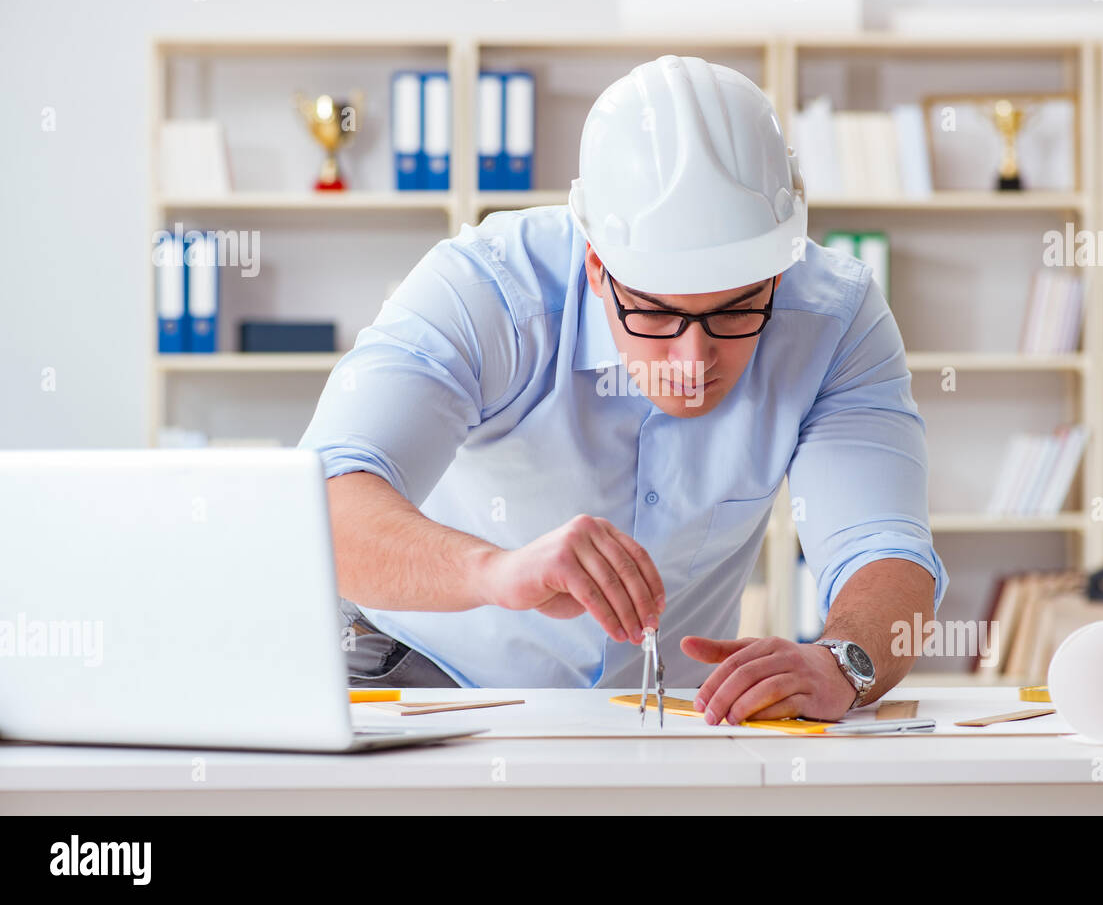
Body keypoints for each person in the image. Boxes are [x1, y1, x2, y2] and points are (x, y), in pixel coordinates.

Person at [299, 54, 948, 724]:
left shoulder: (836, 317)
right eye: (657, 313)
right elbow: (321, 503)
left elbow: (884, 548)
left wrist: (845, 662)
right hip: (421, 665)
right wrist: (495, 571)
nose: (693, 360)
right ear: (597, 264)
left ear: (780, 272)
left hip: (666, 705)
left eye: (735, 311)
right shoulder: (485, 289)